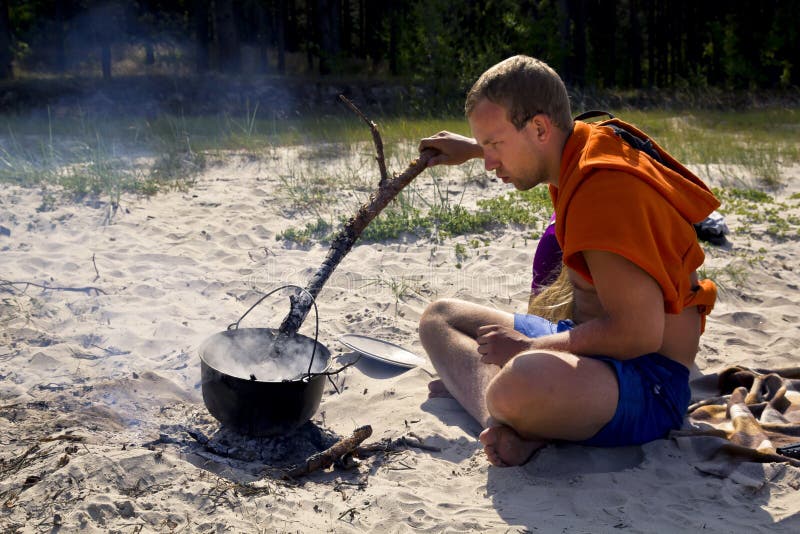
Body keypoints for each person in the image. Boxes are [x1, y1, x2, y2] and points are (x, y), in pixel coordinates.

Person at [417, 55, 720, 467]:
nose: (489, 163)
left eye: (494, 145)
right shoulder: (576, 144)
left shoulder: (604, 189)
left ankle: (501, 409)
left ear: (540, 128)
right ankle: (511, 421)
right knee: (439, 318)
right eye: (485, 146)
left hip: (649, 382)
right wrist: (473, 148)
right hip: (586, 346)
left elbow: (639, 336)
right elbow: (538, 146)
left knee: (518, 383)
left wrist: (530, 346)